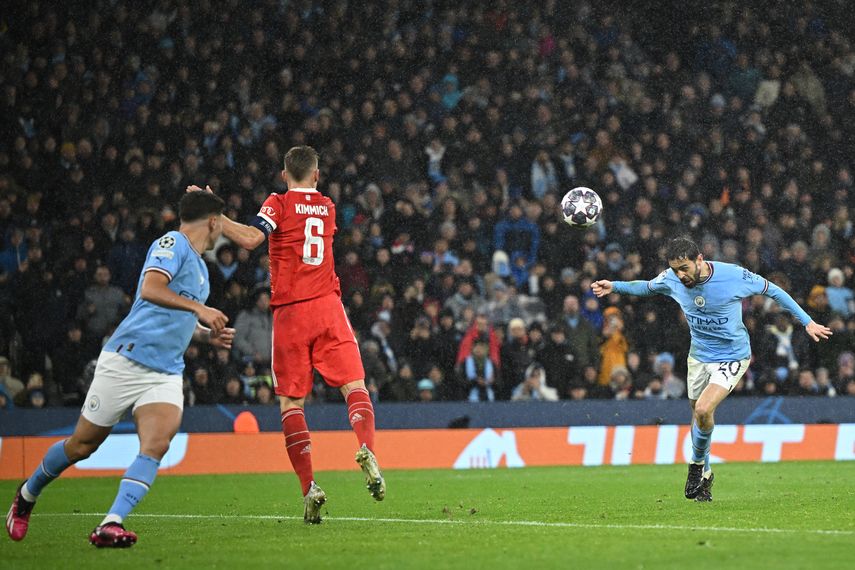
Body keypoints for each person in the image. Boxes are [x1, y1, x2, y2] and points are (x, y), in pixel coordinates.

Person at [6, 191, 234, 546]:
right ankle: (27, 495)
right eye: (222, 222)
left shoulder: (202, 269)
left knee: (157, 443)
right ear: (213, 221)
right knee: (82, 445)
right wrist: (199, 309)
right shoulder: (172, 242)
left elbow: (176, 319)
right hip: (127, 359)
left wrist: (205, 337)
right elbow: (150, 289)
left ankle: (110, 523)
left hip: (165, 370)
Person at [187, 145, 384, 524]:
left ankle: (310, 487)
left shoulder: (278, 203)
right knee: (354, 385)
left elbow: (248, 239)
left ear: (283, 174)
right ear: (316, 175)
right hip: (329, 306)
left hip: (292, 312)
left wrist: (214, 214)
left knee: (292, 404)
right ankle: (366, 447)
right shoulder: (326, 207)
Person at [592, 236, 832, 502]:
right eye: (675, 270)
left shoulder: (733, 276)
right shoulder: (671, 279)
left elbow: (773, 290)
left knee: (705, 409)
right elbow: (646, 287)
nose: (680, 275)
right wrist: (614, 286)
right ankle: (706, 476)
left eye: (684, 268)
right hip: (698, 357)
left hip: (732, 356)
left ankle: (695, 466)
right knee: (699, 415)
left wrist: (807, 322)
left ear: (699, 260)